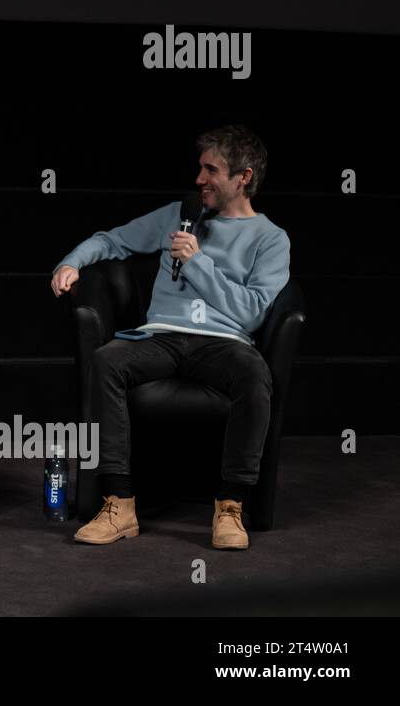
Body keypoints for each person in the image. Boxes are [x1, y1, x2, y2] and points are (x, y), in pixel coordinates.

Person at [51, 125, 290, 550]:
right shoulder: (178, 215)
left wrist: (198, 264)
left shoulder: (270, 239)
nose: (199, 179)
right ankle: (119, 504)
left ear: (243, 177)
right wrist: (70, 264)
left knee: (255, 375)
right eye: (199, 168)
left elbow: (253, 312)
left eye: (210, 170)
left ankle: (231, 506)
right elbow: (113, 240)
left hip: (224, 342)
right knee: (107, 360)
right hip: (160, 337)